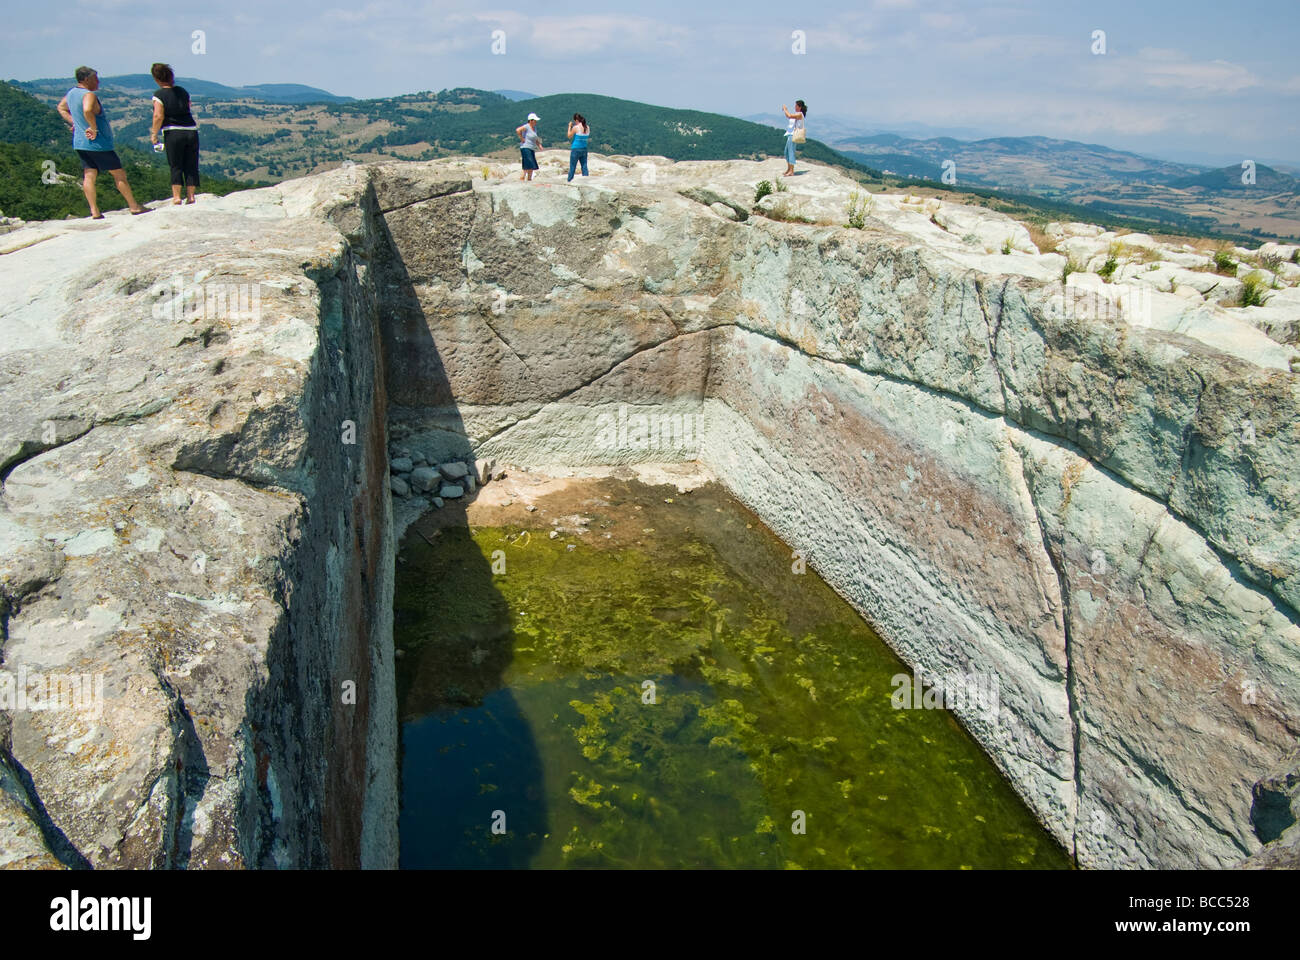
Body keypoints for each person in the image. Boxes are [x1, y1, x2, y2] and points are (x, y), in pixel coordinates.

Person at [56, 66, 146, 218]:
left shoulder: (71, 93)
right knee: (119, 175)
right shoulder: (88, 94)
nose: (98, 81)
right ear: (86, 79)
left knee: (89, 175)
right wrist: (93, 127)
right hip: (98, 143)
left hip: (80, 142)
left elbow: (61, 107)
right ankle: (133, 206)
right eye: (95, 78)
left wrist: (75, 124)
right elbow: (87, 110)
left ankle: (94, 211)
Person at [149, 63, 200, 205]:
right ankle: (191, 196)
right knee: (191, 164)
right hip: (191, 130)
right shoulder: (183, 91)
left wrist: (154, 134)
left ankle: (177, 197)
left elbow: (158, 116)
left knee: (176, 164)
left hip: (173, 131)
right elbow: (188, 107)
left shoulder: (158, 95)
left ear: (156, 79)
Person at [781, 100, 807, 177]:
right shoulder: (797, 114)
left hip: (793, 135)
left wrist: (785, 109)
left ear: (800, 107)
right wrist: (786, 111)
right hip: (790, 134)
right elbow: (788, 116)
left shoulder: (800, 114)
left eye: (796, 106)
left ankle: (791, 171)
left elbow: (789, 115)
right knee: (787, 152)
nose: (795, 107)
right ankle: (789, 169)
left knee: (791, 152)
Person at [516, 113, 542, 181]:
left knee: (531, 164)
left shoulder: (534, 128)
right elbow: (518, 130)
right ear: (531, 120)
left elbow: (535, 138)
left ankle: (529, 179)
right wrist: (521, 138)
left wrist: (539, 145)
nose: (536, 122)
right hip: (525, 147)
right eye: (535, 120)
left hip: (531, 148)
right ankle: (523, 177)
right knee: (528, 163)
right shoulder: (526, 126)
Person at [566, 113, 590, 182]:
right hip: (584, 149)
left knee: (572, 167)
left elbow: (569, 136)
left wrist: (569, 126)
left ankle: (569, 181)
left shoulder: (576, 127)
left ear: (576, 120)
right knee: (584, 166)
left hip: (576, 149)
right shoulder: (587, 127)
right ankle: (586, 181)